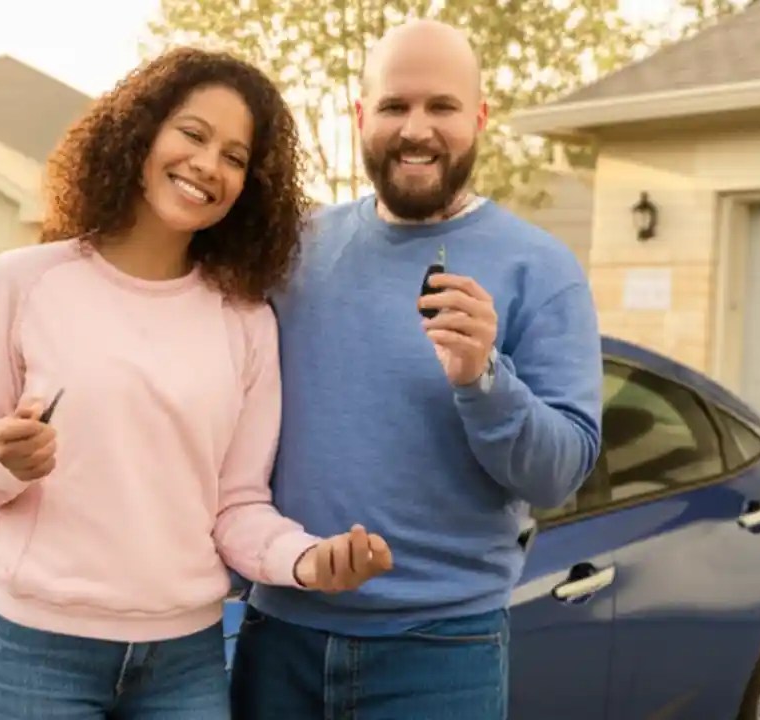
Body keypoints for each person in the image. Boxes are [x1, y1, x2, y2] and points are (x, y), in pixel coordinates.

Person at [0, 47, 393, 720]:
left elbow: (236, 506)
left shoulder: (245, 322)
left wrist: (309, 561)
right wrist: (4, 464)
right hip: (36, 650)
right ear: (140, 131)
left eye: (236, 157)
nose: (209, 165)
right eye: (193, 133)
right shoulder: (23, 282)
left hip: (183, 662)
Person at [229, 19, 604, 720]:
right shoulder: (294, 250)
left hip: (442, 652)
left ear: (480, 119)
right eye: (396, 107)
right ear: (361, 116)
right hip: (278, 632)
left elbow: (560, 475)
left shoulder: (542, 269)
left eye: (443, 107)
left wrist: (483, 378)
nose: (417, 129)